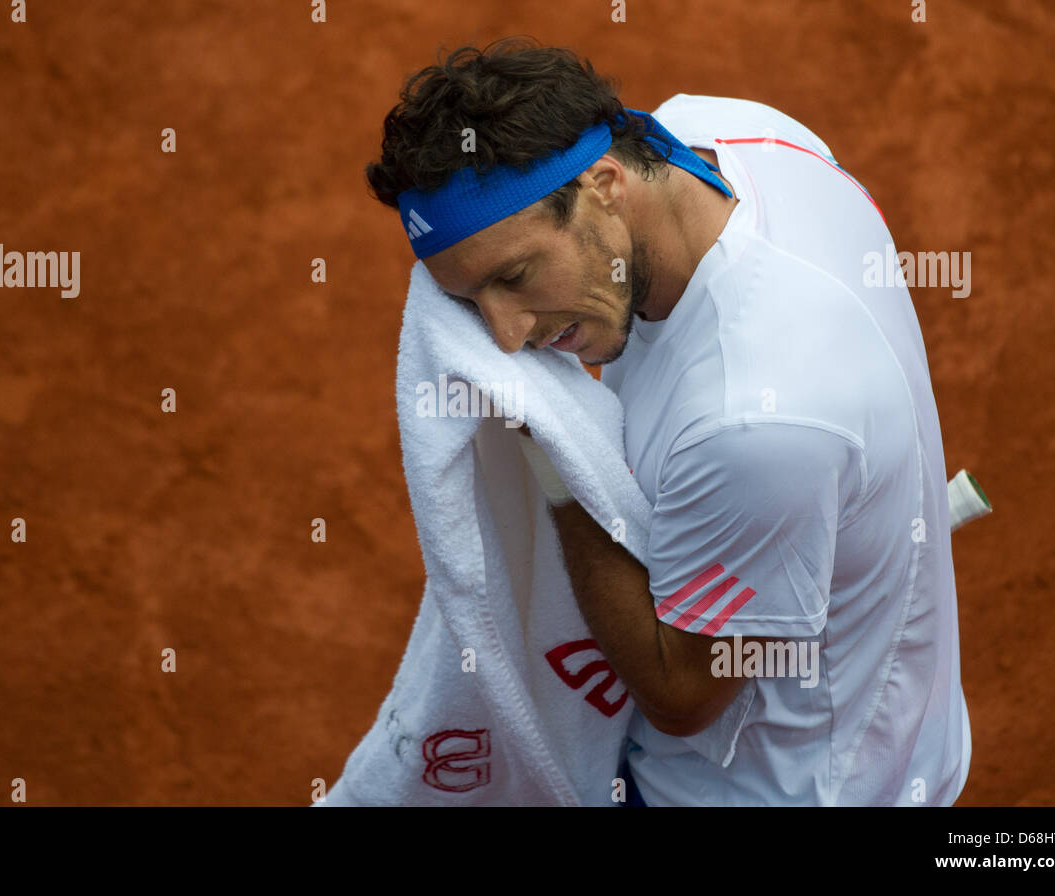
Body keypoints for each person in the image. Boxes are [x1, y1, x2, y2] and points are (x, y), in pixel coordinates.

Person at [365, 37, 971, 805]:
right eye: (470, 303)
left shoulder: (754, 420)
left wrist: (550, 454)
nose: (508, 338)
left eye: (514, 277)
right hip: (889, 713)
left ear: (605, 184)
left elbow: (680, 694)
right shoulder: (745, 135)